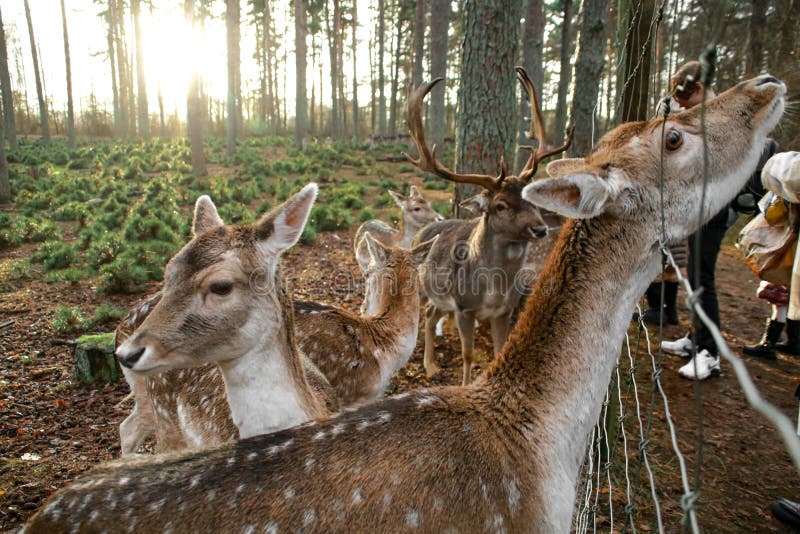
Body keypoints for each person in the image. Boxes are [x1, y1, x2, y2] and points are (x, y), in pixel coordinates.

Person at [660, 61, 779, 380]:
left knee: (703, 279)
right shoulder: (704, 115)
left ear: (698, 88)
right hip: (699, 207)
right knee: (694, 277)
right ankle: (695, 338)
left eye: (681, 95)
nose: (678, 102)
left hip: (713, 209)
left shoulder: (718, 119)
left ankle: (709, 353)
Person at [747, 152, 800, 358]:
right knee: (783, 294)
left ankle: (776, 342)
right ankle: (784, 341)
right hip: (790, 242)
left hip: (790, 246)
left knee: (785, 294)